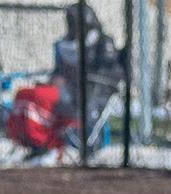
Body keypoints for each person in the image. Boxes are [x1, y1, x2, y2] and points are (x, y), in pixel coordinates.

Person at [48, 5, 125, 151]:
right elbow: (59, 71)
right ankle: (48, 142)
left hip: (97, 89)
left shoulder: (102, 41)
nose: (73, 27)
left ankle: (87, 145)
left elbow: (106, 70)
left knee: (86, 104)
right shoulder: (66, 45)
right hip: (72, 89)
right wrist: (56, 78)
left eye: (75, 23)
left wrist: (81, 77)